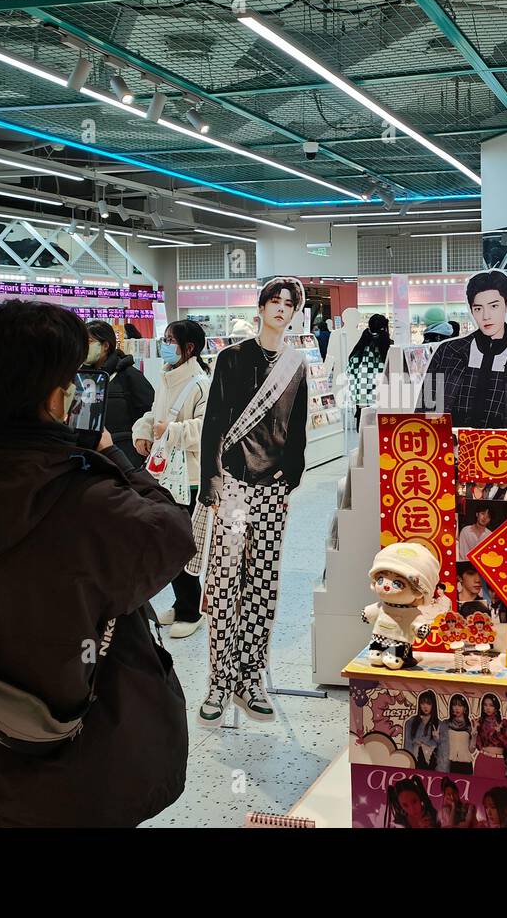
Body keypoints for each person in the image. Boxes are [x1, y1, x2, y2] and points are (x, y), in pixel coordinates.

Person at [0, 299, 194, 826]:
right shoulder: (88, 496)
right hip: (87, 758)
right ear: (58, 395)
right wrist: (114, 457)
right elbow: (171, 536)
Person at [197, 277, 308, 724]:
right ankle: (218, 681)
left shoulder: (297, 363)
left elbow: (296, 428)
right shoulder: (231, 358)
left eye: (289, 304)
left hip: (272, 488)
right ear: (261, 307)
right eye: (274, 301)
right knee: (224, 583)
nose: (281, 309)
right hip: (235, 486)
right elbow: (213, 423)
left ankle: (249, 676)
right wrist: (212, 479)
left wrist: (290, 474)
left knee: (262, 584)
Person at [134, 320, 211, 638]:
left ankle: (192, 611)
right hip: (166, 473)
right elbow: (156, 413)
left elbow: (208, 430)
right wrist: (143, 430)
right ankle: (182, 603)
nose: (164, 344)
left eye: (169, 340)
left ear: (188, 347)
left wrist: (172, 432)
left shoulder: (201, 383)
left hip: (189, 477)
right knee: (168, 541)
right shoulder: (167, 377)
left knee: (183, 544)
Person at [416, 269, 507, 429]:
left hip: (501, 452)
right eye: (478, 308)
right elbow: (425, 411)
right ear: (471, 310)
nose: (486, 316)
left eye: (494, 306)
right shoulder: (448, 352)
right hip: (451, 451)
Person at [85, 320, 155, 466]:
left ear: (105, 345)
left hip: (125, 456)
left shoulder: (129, 375)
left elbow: (149, 411)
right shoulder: (85, 377)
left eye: (89, 341)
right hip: (91, 455)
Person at [347, 313, 390, 429]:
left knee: (364, 430)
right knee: (381, 429)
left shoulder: (361, 347)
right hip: (383, 396)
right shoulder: (387, 347)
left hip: (363, 395)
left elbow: (351, 369)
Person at [437, 693, 475, 774]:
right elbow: (441, 745)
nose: (456, 708)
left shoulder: (470, 725)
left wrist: (474, 736)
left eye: (460, 705)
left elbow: (472, 750)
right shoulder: (445, 724)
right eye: (454, 705)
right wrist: (436, 738)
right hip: (449, 764)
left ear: (465, 708)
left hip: (465, 764)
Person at [404, 689, 442, 769]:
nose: (425, 706)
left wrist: (437, 739)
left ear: (433, 705)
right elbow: (407, 745)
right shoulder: (411, 722)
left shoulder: (439, 724)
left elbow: (443, 748)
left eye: (428, 703)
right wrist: (409, 762)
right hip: (416, 758)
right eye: (422, 703)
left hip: (432, 761)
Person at [474, 693, 505, 778]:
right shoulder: (479, 722)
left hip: (498, 761)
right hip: (483, 758)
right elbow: (477, 746)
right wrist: (474, 732)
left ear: (496, 707)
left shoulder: (503, 722)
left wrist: (499, 732)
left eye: (491, 705)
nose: (488, 708)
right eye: (485, 705)